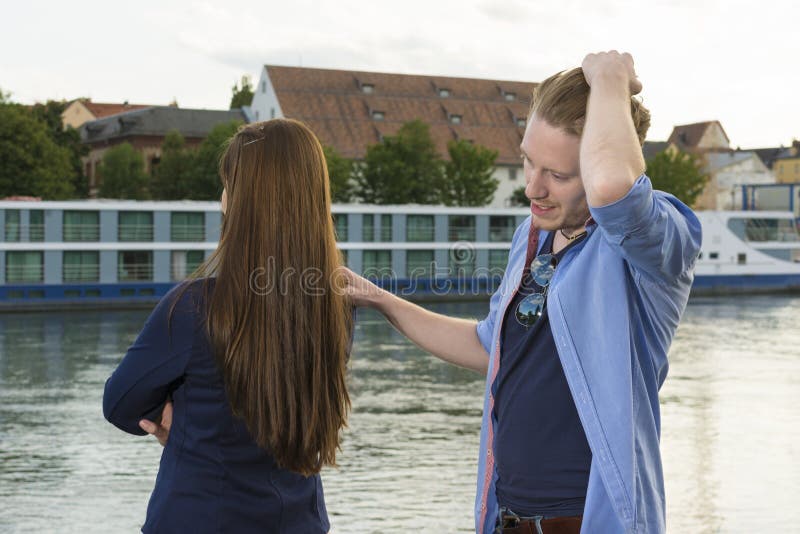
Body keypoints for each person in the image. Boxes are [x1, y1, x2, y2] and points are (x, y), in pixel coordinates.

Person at [343, 51, 701, 533]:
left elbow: (616, 188)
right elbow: (489, 346)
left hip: (583, 520)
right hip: (507, 517)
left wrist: (610, 78)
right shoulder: (532, 238)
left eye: (558, 174)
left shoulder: (655, 243)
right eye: (528, 162)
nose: (533, 188)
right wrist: (381, 300)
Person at [103, 118, 353, 533]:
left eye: (228, 186)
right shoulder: (337, 310)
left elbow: (119, 402)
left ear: (239, 202)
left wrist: (173, 417)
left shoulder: (193, 307)